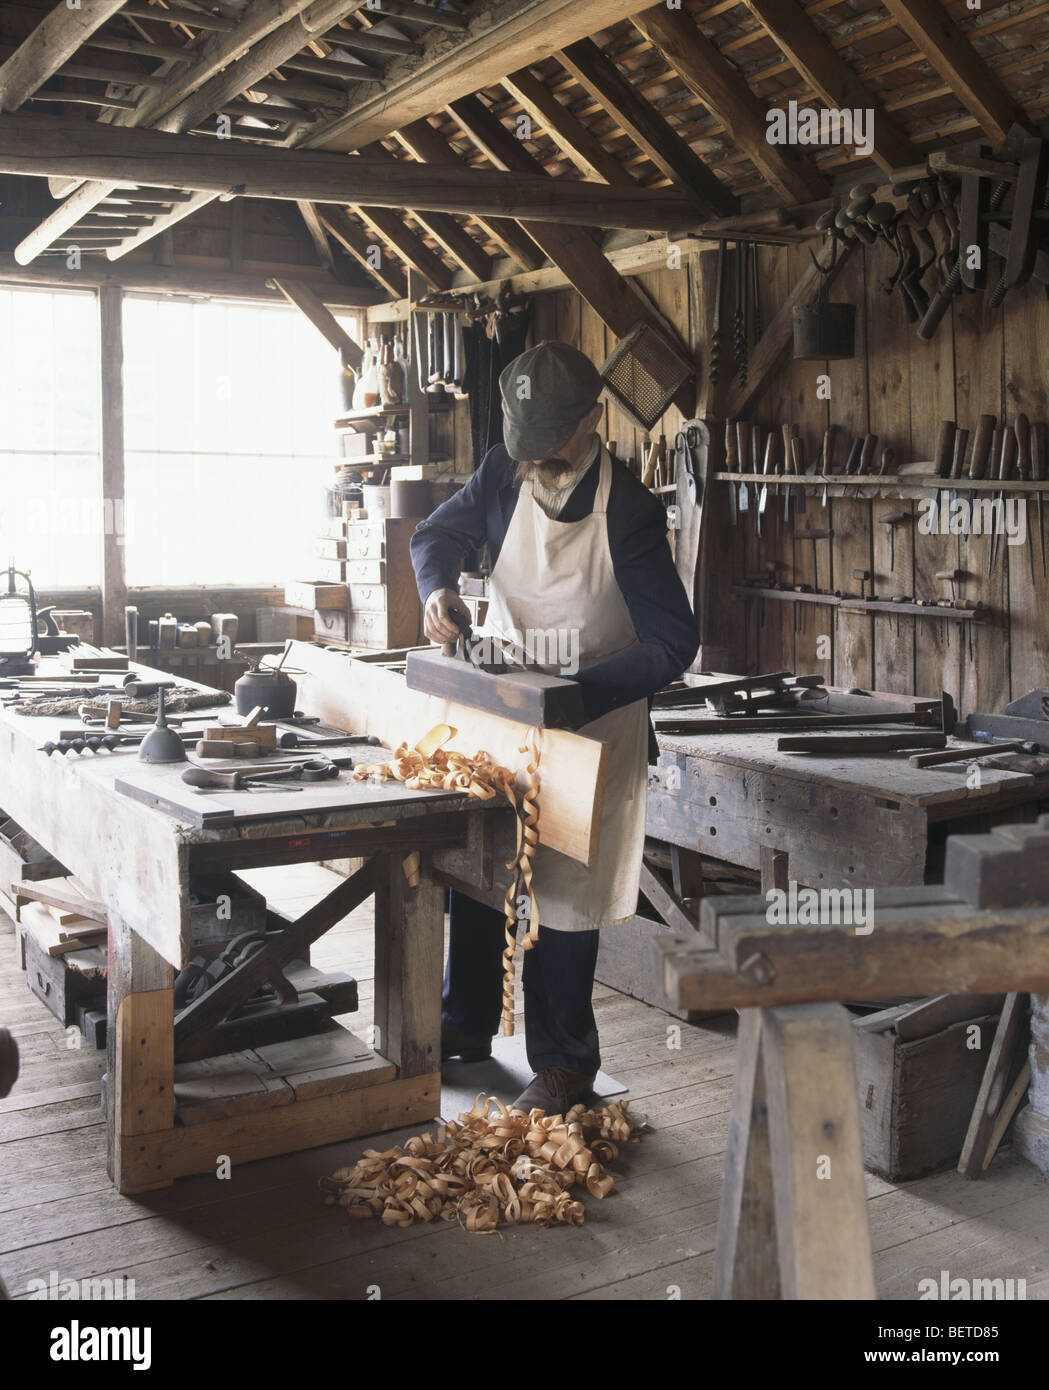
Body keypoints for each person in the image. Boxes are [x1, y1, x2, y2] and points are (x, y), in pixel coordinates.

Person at [409, 340, 699, 1114]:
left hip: (592, 720)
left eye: (549, 447)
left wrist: (576, 693)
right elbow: (432, 537)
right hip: (506, 708)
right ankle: (461, 1022)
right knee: (478, 866)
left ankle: (565, 1063)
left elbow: (674, 642)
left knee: (564, 896)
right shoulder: (503, 472)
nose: (534, 464)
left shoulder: (631, 512)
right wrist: (437, 592)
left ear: (591, 421)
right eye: (524, 448)